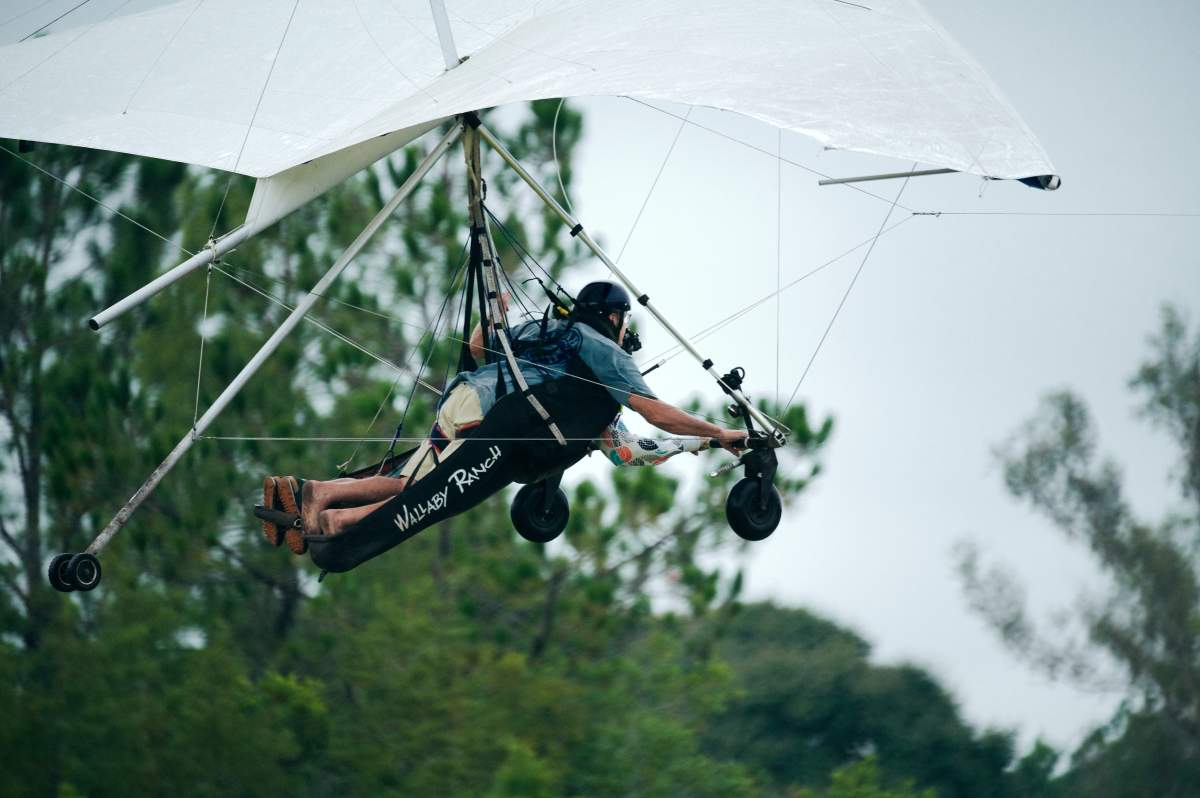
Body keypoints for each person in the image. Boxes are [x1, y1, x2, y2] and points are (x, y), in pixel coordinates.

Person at [261, 281, 747, 567]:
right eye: (623, 320)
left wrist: (495, 316)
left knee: (406, 479)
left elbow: (478, 348)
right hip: (490, 417)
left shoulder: (548, 329)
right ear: (614, 317)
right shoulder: (604, 355)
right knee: (423, 492)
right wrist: (712, 438)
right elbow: (639, 432)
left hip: (463, 399)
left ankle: (319, 493)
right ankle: (333, 524)